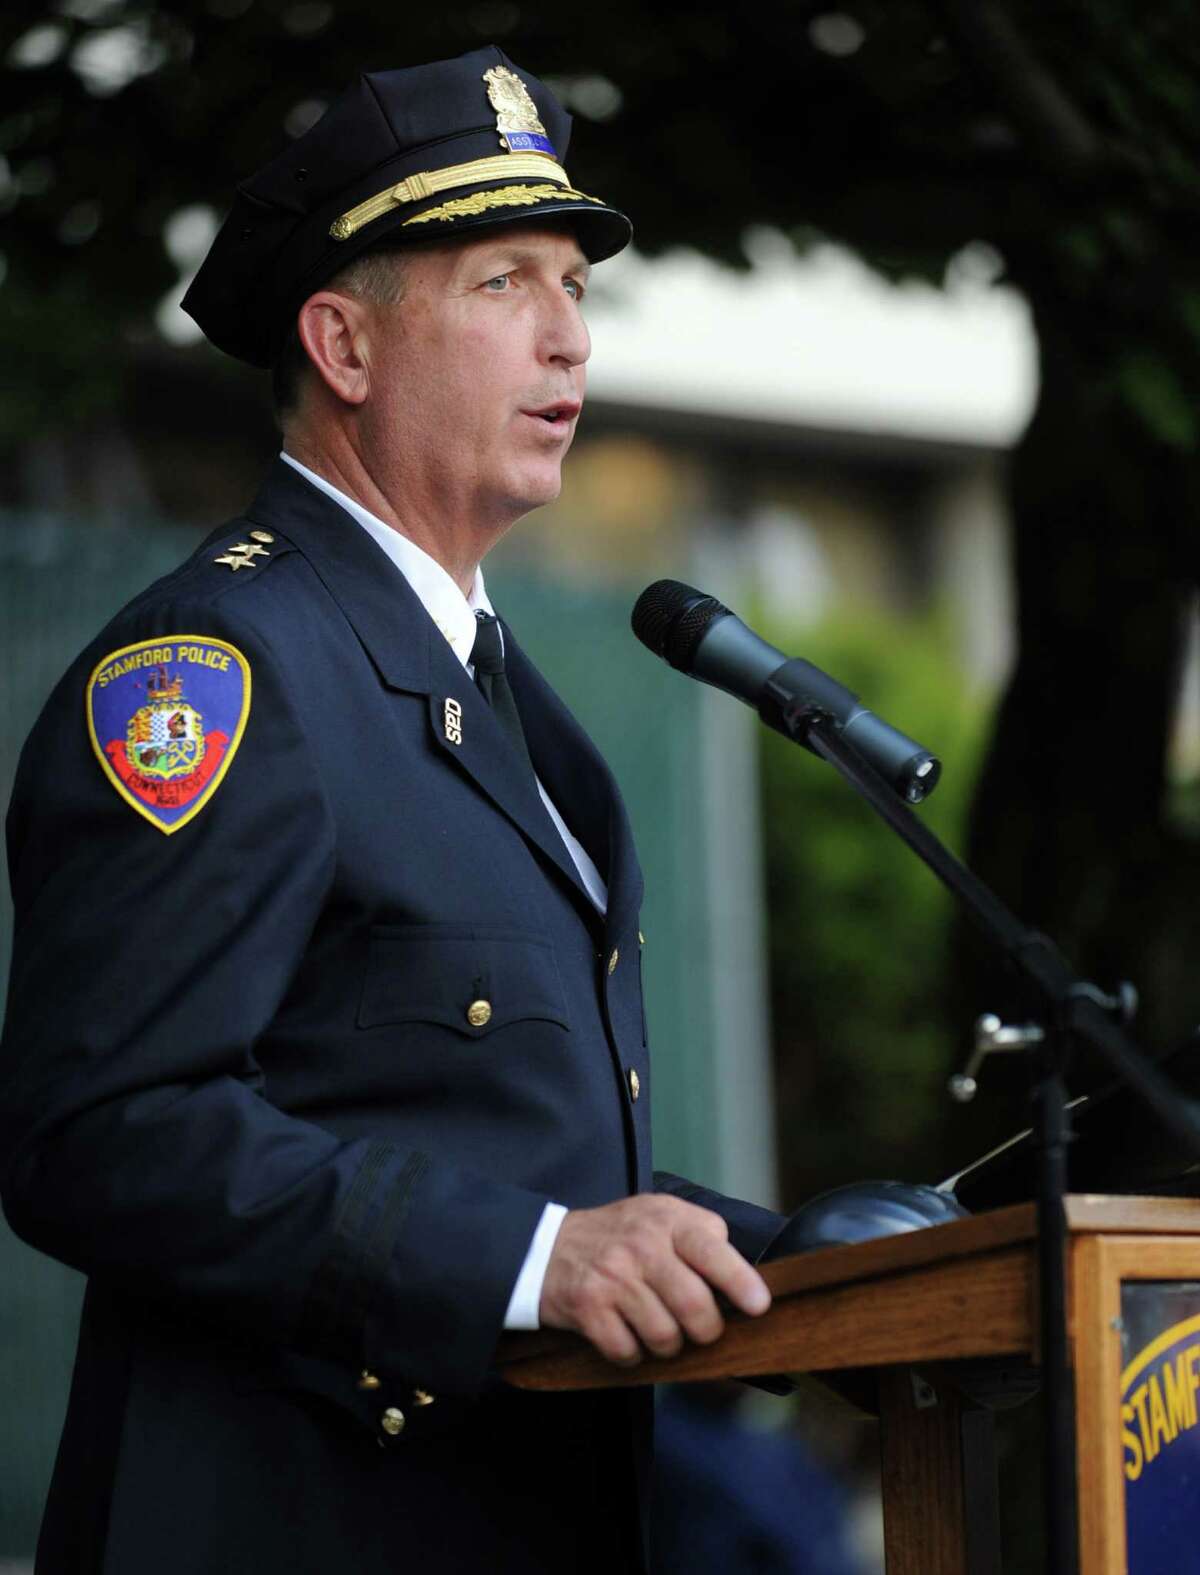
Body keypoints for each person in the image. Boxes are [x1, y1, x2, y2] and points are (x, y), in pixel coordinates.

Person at [0, 46, 783, 1575]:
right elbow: (102, 1132)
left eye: (578, 288)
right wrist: (533, 1260)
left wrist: (787, 1265)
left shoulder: (493, 687)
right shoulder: (224, 672)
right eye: (504, 284)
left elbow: (464, 1122)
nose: (569, 342)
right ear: (343, 345)